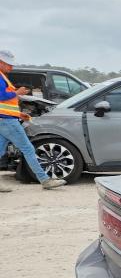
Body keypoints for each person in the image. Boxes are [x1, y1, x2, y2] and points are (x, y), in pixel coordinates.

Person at [0, 49, 65, 191]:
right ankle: (45, 180)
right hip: (7, 122)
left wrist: (18, 114)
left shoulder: (2, 76)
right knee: (28, 149)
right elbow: (1, 96)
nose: (11, 67)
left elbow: (5, 103)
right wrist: (17, 92)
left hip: (5, 120)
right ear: (1, 62)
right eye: (8, 64)